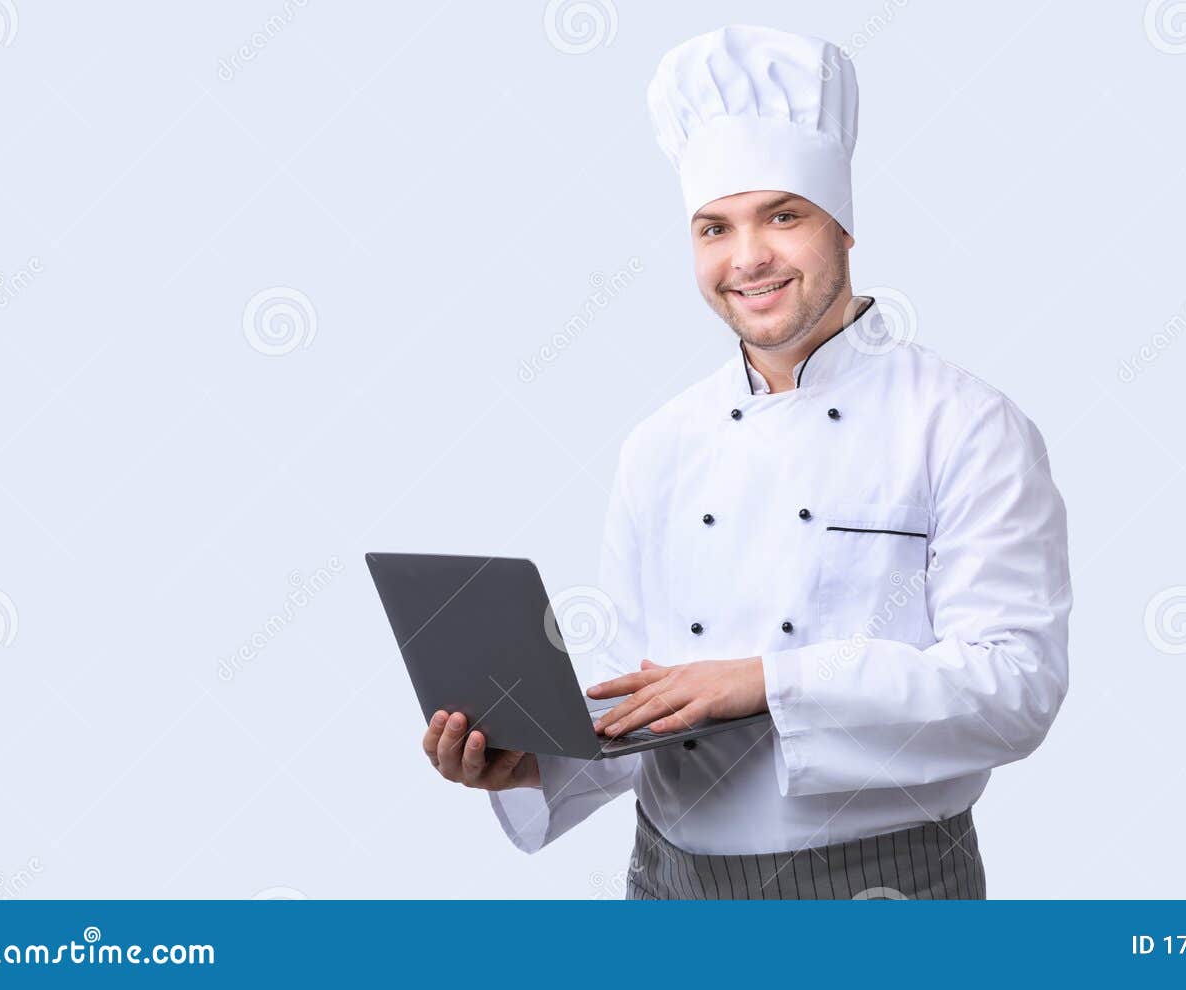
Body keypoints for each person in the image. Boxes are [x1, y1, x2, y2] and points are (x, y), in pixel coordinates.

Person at [421, 24, 1071, 900]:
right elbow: (637, 690)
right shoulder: (662, 443)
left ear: (843, 226)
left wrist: (768, 683)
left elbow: (1015, 687)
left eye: (783, 215)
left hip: (881, 883)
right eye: (714, 228)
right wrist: (535, 759)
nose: (747, 257)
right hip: (667, 882)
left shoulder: (965, 425)